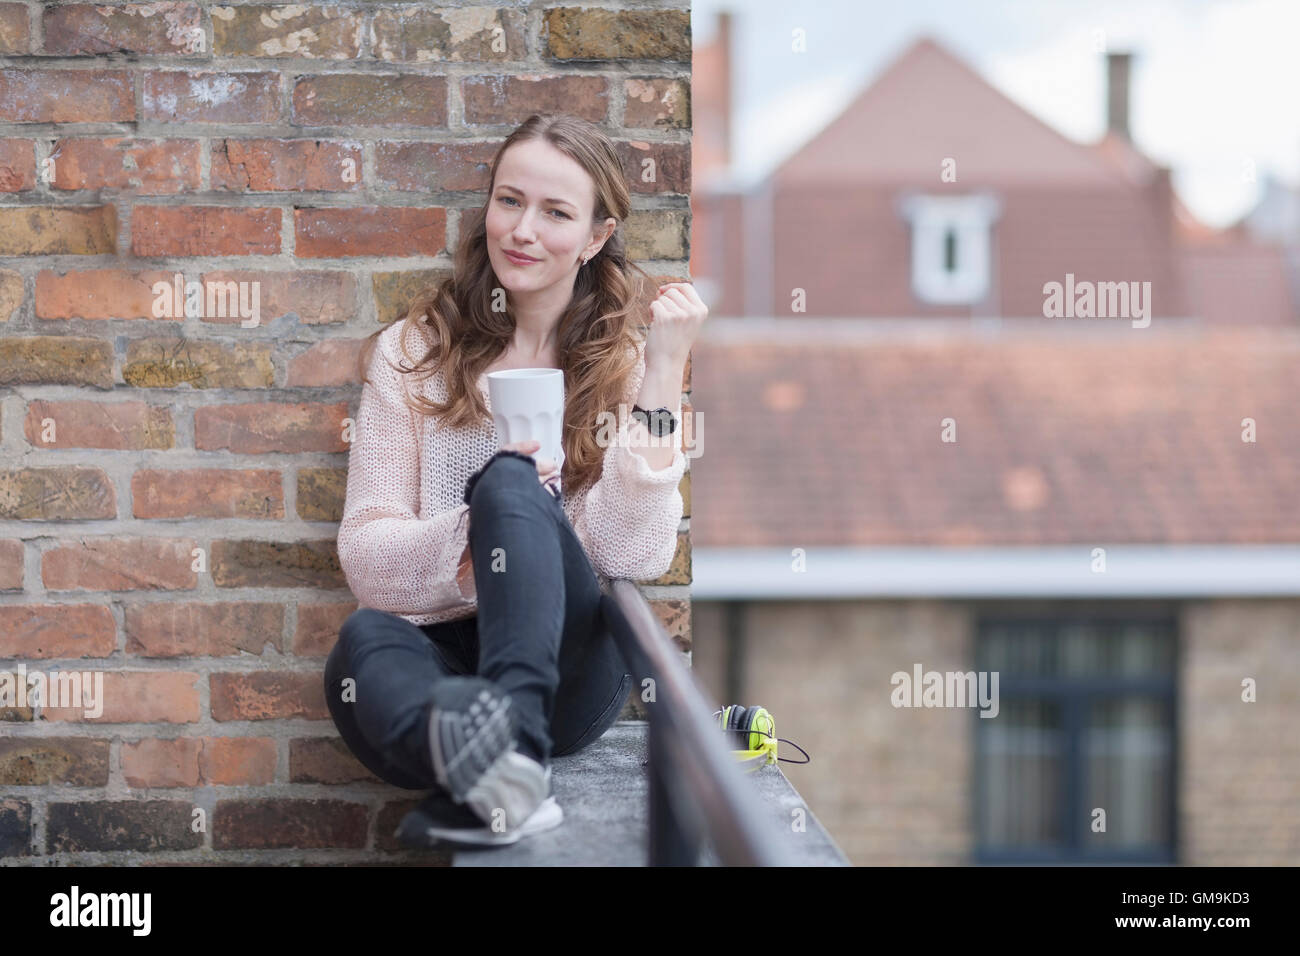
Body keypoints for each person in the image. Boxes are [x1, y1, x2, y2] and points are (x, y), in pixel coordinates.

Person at [324, 113, 707, 849]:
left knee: (507, 484)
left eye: (556, 212)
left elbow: (633, 557)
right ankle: (480, 751)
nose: (522, 230)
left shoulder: (621, 365)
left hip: (568, 673)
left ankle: (518, 751)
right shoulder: (414, 354)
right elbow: (367, 556)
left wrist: (663, 370)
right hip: (443, 661)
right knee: (365, 637)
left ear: (596, 237)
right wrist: (478, 536)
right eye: (509, 201)